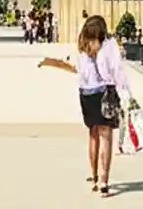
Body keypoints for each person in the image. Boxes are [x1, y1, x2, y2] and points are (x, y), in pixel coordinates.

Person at [38, 15, 130, 197]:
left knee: (93, 134)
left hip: (86, 94)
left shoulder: (82, 45)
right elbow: (116, 69)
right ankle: (104, 182)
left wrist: (51, 62)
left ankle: (94, 177)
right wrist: (126, 91)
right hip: (104, 92)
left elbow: (75, 68)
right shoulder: (108, 44)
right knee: (106, 137)